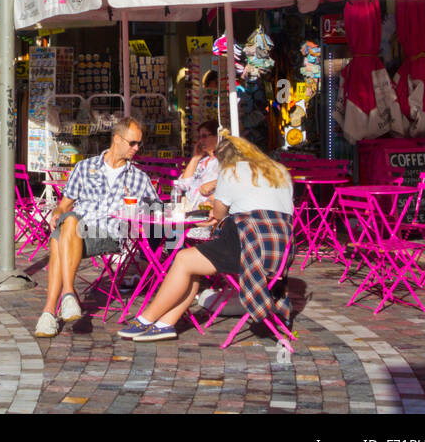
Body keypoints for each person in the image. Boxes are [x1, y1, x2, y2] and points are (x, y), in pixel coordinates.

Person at [119, 135, 294, 342]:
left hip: (250, 242)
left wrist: (216, 202)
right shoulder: (279, 171)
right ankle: (166, 323)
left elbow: (219, 214)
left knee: (183, 259)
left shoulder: (232, 171)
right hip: (280, 247)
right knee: (192, 263)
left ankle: (146, 319)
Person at [35, 117, 158, 338]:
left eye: (139, 144)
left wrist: (139, 215)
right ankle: (65, 299)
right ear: (117, 139)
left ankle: (51, 310)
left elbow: (155, 212)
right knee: (67, 224)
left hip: (110, 233)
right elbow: (64, 204)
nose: (137, 148)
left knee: (59, 237)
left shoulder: (139, 178)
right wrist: (56, 213)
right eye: (132, 143)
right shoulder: (84, 167)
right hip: (77, 230)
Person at [172, 120, 221, 213]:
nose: (201, 141)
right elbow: (182, 185)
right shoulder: (202, 162)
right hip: (190, 212)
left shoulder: (224, 162)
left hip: (207, 213)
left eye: (204, 136)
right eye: (199, 137)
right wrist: (195, 158)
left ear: (217, 137)